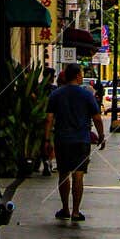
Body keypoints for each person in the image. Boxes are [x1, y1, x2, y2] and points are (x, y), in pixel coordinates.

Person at [43, 62, 105, 223]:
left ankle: (65, 208)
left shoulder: (56, 94)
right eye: (81, 74)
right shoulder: (86, 95)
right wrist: (101, 135)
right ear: (77, 76)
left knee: (64, 174)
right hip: (81, 140)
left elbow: (49, 119)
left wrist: (46, 139)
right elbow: (97, 118)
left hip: (62, 140)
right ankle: (76, 212)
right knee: (79, 175)